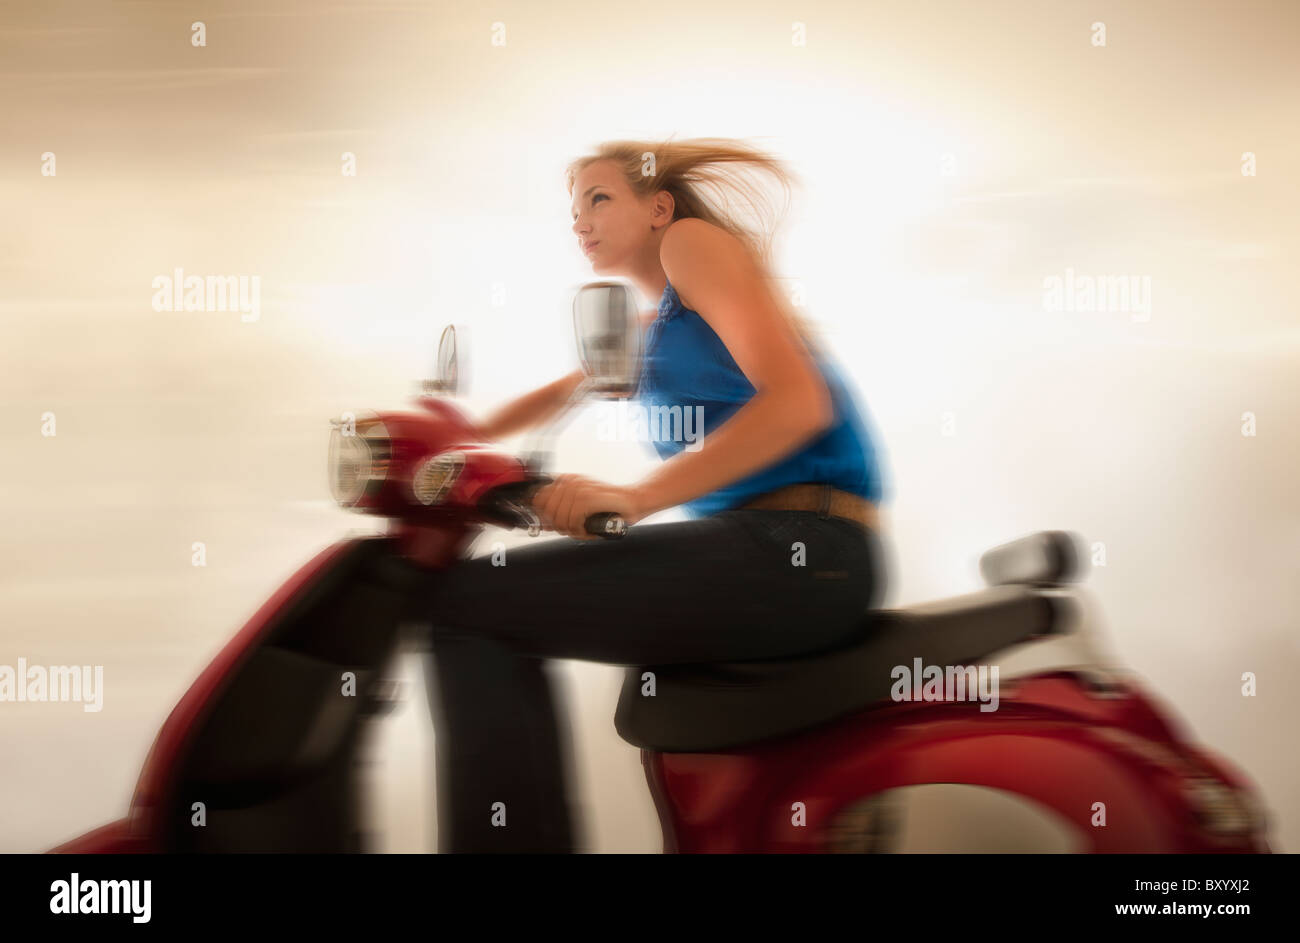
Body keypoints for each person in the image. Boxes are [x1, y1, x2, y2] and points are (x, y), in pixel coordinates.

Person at [408, 136, 892, 853]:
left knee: (467, 607)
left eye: (599, 198)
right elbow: (545, 398)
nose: (581, 221)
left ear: (659, 207)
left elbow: (799, 403)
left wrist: (637, 498)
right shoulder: (650, 329)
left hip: (805, 549)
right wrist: (429, 444)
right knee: (478, 605)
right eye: (573, 210)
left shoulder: (690, 243)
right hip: (779, 555)